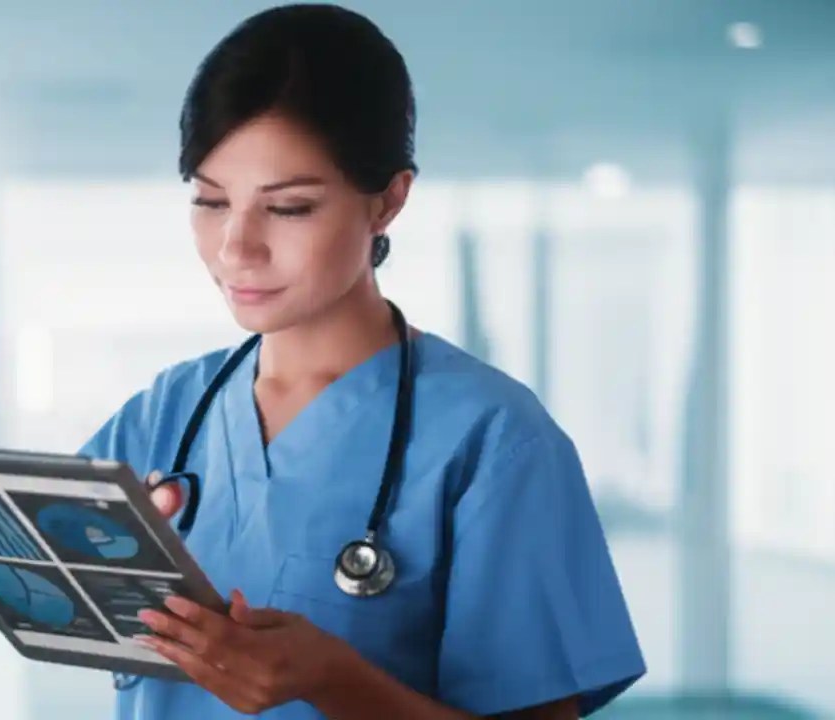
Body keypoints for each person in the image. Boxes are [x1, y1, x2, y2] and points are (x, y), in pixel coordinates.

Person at [77, 4, 645, 719]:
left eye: (288, 209)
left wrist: (333, 678)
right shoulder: (167, 414)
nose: (236, 248)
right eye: (211, 201)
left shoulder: (494, 440)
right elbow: (38, 582)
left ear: (387, 201)